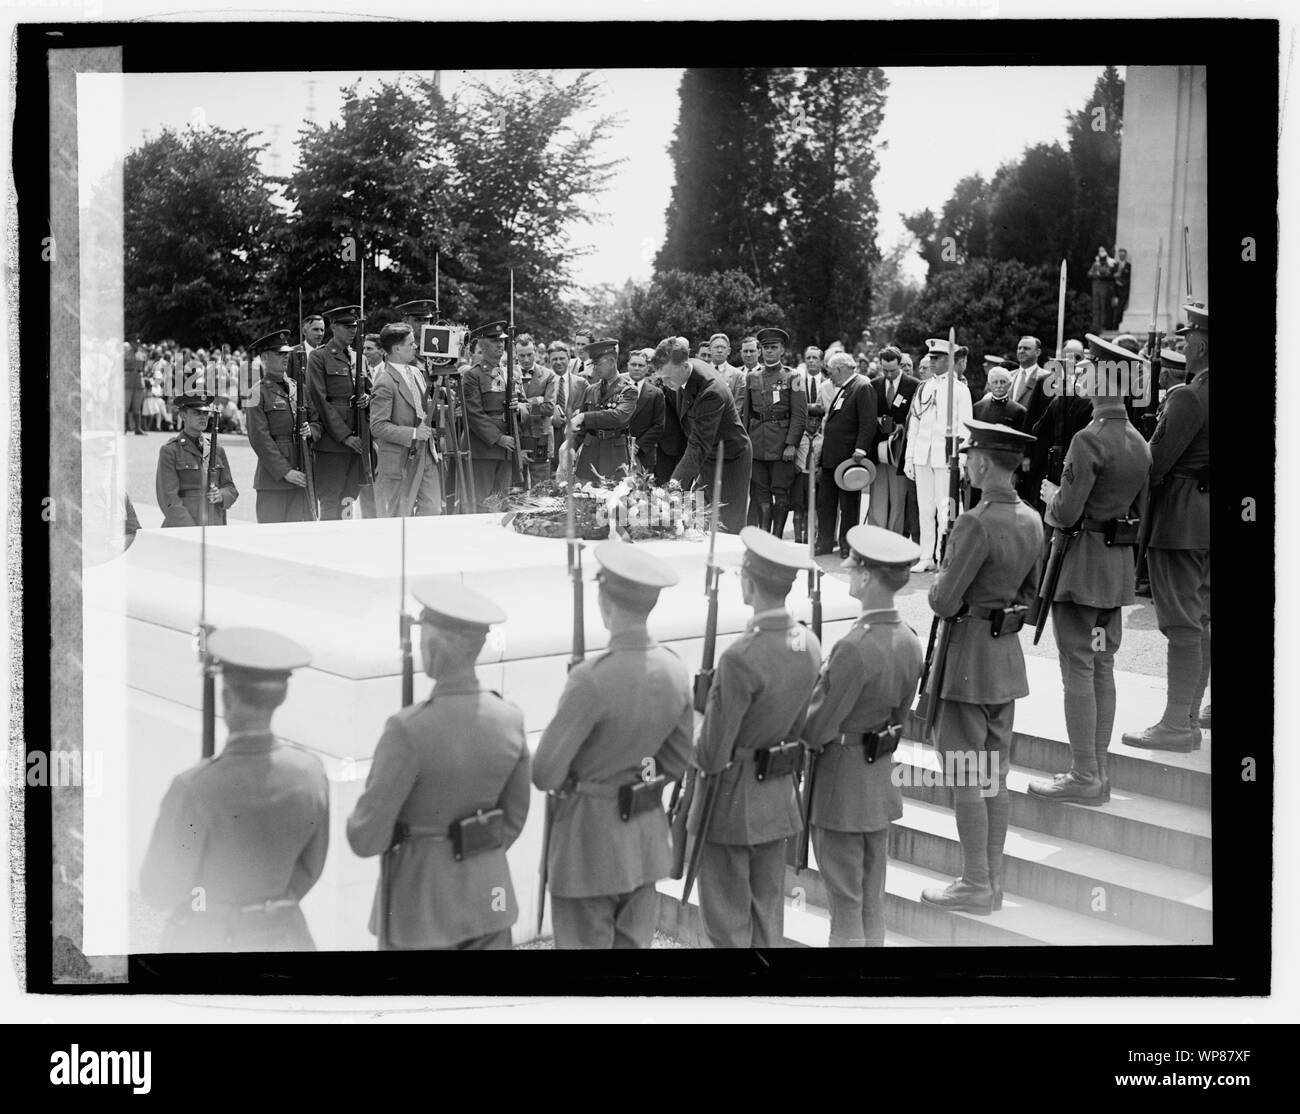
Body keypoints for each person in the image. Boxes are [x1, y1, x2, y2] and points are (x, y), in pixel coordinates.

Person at [347, 583, 530, 949]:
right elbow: (514, 817)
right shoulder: (509, 718)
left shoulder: (407, 730)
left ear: (431, 646)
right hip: (488, 897)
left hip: (419, 908)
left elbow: (366, 837)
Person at [533, 542, 694, 948]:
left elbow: (545, 773)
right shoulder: (675, 670)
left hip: (588, 845)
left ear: (605, 602)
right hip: (643, 841)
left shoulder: (591, 680)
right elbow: (675, 762)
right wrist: (635, 777)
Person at [140, 628, 328, 951]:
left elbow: (160, 890)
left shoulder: (195, 788)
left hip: (209, 941)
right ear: (279, 698)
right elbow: (311, 867)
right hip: (284, 938)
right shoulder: (310, 774)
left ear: (226, 698)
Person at [919, 420, 1042, 915]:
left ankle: (975, 882)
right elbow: (1031, 600)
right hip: (1004, 662)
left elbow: (944, 601)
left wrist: (944, 569)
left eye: (969, 455)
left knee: (967, 776)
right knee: (994, 774)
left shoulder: (976, 521)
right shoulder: (1032, 519)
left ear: (984, 462)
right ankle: (991, 881)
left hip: (967, 660)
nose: (965, 462)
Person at [1028, 338, 1151, 804]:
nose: (1079, 376)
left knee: (1077, 669)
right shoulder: (1138, 442)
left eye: (1087, 370)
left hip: (1079, 568)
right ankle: (1096, 771)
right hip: (1113, 569)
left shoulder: (1089, 438)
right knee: (1102, 665)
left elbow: (1066, 510)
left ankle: (1083, 775)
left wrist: (1048, 495)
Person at [691, 528, 822, 947]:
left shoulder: (740, 658)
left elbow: (711, 754)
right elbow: (799, 725)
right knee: (767, 919)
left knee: (727, 925)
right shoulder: (809, 643)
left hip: (731, 803)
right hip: (777, 799)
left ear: (748, 581)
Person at [802, 525, 923, 946]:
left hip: (841, 787)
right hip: (878, 781)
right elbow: (901, 714)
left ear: (869, 578)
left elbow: (815, 728)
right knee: (871, 902)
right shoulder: (909, 640)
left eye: (853, 569)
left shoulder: (854, 647)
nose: (849, 574)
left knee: (846, 906)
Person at [1122, 304, 1210, 750]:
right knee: (1201, 617)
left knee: (1180, 622)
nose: (1182, 344)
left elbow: (1154, 465)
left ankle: (1177, 724)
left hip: (1179, 520)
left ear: (1203, 344)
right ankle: (1190, 714)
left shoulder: (1188, 396)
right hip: (1207, 517)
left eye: (1187, 337)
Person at [650, 336, 753, 533]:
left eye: (668, 377)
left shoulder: (711, 392)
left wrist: (673, 486)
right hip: (708, 455)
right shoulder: (684, 371)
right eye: (661, 378)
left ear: (683, 366)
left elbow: (697, 445)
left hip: (730, 459)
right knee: (702, 519)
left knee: (726, 526)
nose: (665, 383)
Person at [904, 338, 973, 570]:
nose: (932, 362)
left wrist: (961, 462)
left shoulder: (961, 391)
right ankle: (926, 556)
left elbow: (965, 428)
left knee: (948, 508)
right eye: (931, 358)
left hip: (947, 459)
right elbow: (915, 424)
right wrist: (909, 457)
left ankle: (946, 555)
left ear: (950, 360)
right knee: (925, 508)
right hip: (924, 455)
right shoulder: (924, 387)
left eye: (937, 358)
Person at [245, 330, 321, 523]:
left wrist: (311, 430)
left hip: (303, 471)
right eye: (279, 354)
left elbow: (317, 421)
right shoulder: (256, 392)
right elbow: (259, 439)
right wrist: (285, 471)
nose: (285, 357)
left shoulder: (298, 388)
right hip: (274, 480)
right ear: (264, 358)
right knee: (271, 536)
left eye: (286, 353)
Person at [739, 327, 807, 537]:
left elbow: (799, 415)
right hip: (757, 443)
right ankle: (764, 537)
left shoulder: (793, 377)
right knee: (761, 495)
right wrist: (745, 443)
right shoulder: (752, 377)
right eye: (765, 347)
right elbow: (746, 413)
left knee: (780, 494)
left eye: (773, 347)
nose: (769, 351)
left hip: (781, 446)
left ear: (782, 350)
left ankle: (776, 538)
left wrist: (791, 444)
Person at [370, 322, 443, 517]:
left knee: (432, 510)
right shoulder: (385, 382)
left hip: (426, 454)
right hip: (399, 459)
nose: (415, 347)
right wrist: (413, 433)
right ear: (396, 348)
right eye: (411, 343)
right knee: (397, 517)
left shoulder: (417, 373)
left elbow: (423, 409)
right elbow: (377, 426)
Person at [305, 305, 367, 520]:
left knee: (349, 498)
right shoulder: (319, 357)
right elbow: (319, 401)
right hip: (332, 442)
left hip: (359, 437)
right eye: (347, 326)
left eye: (355, 326)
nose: (353, 331)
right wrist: (345, 436)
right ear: (333, 327)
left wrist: (367, 398)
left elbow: (369, 391)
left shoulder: (360, 358)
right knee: (330, 499)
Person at [815, 351, 877, 557]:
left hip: (849, 458)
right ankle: (824, 543)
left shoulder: (862, 386)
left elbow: (867, 421)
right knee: (826, 503)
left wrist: (860, 449)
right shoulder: (845, 387)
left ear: (840, 369)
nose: (829, 376)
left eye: (831, 372)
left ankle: (847, 545)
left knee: (849, 505)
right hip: (832, 458)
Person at [155, 393, 238, 527]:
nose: (202, 417)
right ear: (183, 415)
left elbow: (231, 489)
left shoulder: (217, 449)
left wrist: (221, 494)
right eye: (196, 413)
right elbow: (169, 498)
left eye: (205, 414)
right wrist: (189, 529)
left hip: (214, 522)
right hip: (183, 525)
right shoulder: (170, 451)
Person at [462, 320, 519, 508]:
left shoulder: (510, 372)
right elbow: (473, 413)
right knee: (482, 500)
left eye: (502, 341)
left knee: (503, 500)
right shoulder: (473, 375)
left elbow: (523, 406)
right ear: (483, 345)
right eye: (495, 342)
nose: (500, 345)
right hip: (485, 447)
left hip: (508, 446)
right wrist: (498, 438)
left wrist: (520, 409)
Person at [868, 345, 919, 534]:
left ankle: (895, 538)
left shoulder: (914, 385)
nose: (889, 374)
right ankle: (875, 536)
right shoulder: (873, 385)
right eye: (885, 370)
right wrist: (876, 421)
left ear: (900, 365)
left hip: (900, 446)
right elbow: (867, 414)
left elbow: (916, 416)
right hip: (879, 446)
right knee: (878, 494)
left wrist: (902, 427)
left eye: (893, 370)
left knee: (898, 497)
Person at [571, 339, 637, 484]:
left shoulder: (628, 390)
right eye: (593, 364)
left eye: (598, 364)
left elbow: (619, 417)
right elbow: (581, 429)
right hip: (590, 452)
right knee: (584, 499)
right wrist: (571, 448)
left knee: (614, 500)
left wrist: (583, 416)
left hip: (614, 453)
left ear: (612, 361)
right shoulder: (591, 389)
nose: (595, 369)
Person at [514, 332, 558, 488]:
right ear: (515, 354)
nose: (526, 360)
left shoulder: (548, 375)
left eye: (530, 355)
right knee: (515, 490)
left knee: (541, 491)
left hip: (541, 438)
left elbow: (549, 408)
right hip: (516, 437)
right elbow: (506, 408)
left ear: (536, 353)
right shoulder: (507, 374)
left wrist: (522, 406)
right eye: (522, 356)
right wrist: (537, 401)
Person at [627, 348, 666, 474]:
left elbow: (659, 425)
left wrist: (637, 446)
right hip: (618, 450)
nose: (637, 368)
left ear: (647, 368)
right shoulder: (616, 389)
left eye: (641, 365)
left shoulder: (656, 393)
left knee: (642, 491)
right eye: (633, 364)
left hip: (645, 453)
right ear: (628, 366)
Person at [1088, 246, 1116, 332]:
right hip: (1096, 287)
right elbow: (1089, 274)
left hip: (1104, 288)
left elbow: (1107, 274)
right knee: (1096, 307)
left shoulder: (1109, 263)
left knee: (1104, 307)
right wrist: (1098, 273)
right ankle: (1095, 325)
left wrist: (1099, 273)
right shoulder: (1096, 264)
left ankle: (1103, 325)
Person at [1113, 247, 1132, 319]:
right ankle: (1113, 325)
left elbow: (1129, 278)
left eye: (1123, 255)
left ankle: (1117, 322)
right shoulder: (1115, 265)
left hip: (1124, 289)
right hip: (1116, 290)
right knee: (1115, 307)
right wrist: (1114, 276)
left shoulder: (1128, 266)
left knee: (1121, 306)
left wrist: (1123, 282)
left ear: (1125, 256)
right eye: (1120, 255)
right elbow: (1111, 276)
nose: (1121, 256)